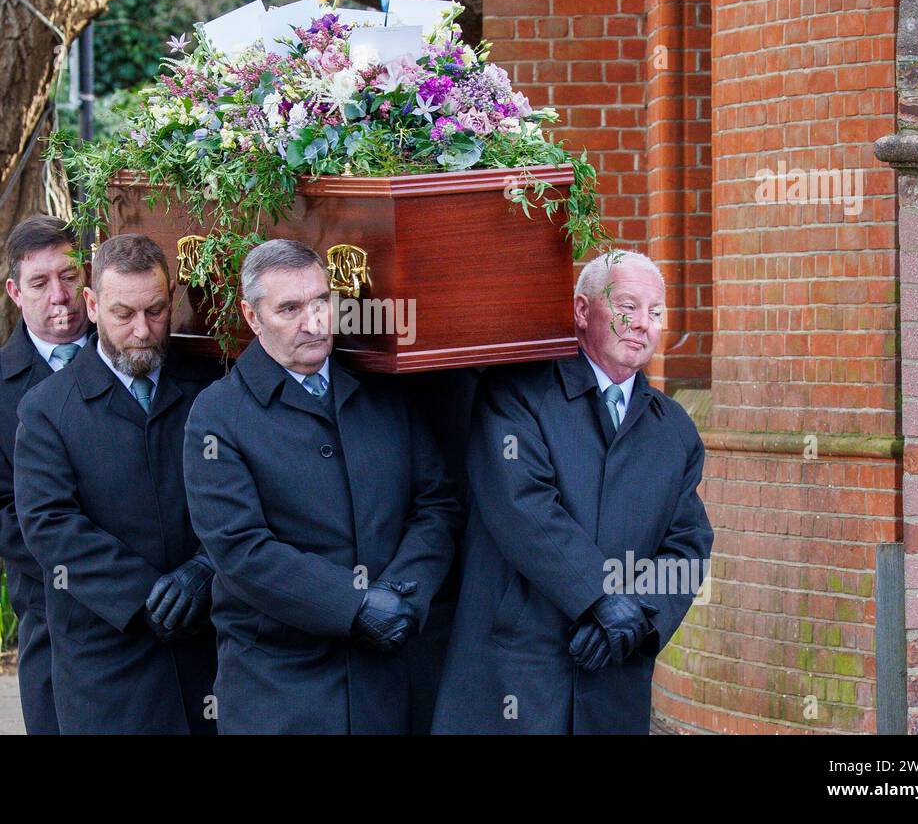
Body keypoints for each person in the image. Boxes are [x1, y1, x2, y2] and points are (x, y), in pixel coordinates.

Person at [183, 239, 460, 734]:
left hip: (387, 683)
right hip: (280, 691)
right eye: (289, 309)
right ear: (252, 316)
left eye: (320, 302)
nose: (314, 323)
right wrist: (353, 605)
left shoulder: (384, 395)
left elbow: (435, 504)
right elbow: (240, 549)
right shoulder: (218, 415)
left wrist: (403, 598)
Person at [432, 250, 713, 734]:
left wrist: (639, 621)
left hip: (612, 680)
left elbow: (686, 544)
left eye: (656, 312)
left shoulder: (675, 430)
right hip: (516, 676)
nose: (642, 324)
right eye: (627, 305)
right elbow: (524, 509)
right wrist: (603, 599)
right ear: (583, 310)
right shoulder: (516, 395)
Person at [14, 233, 220, 733]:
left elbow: (246, 495)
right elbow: (51, 527)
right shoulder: (47, 409)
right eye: (123, 314)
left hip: (210, 652)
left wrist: (205, 569)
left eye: (154, 311)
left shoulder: (210, 387)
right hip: (108, 662)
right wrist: (146, 594)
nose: (142, 331)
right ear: (91, 303)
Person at [0, 215, 92, 735]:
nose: (60, 295)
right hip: (53, 609)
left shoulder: (133, 351)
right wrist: (93, 569)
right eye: (39, 282)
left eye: (70, 275)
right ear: (15, 291)